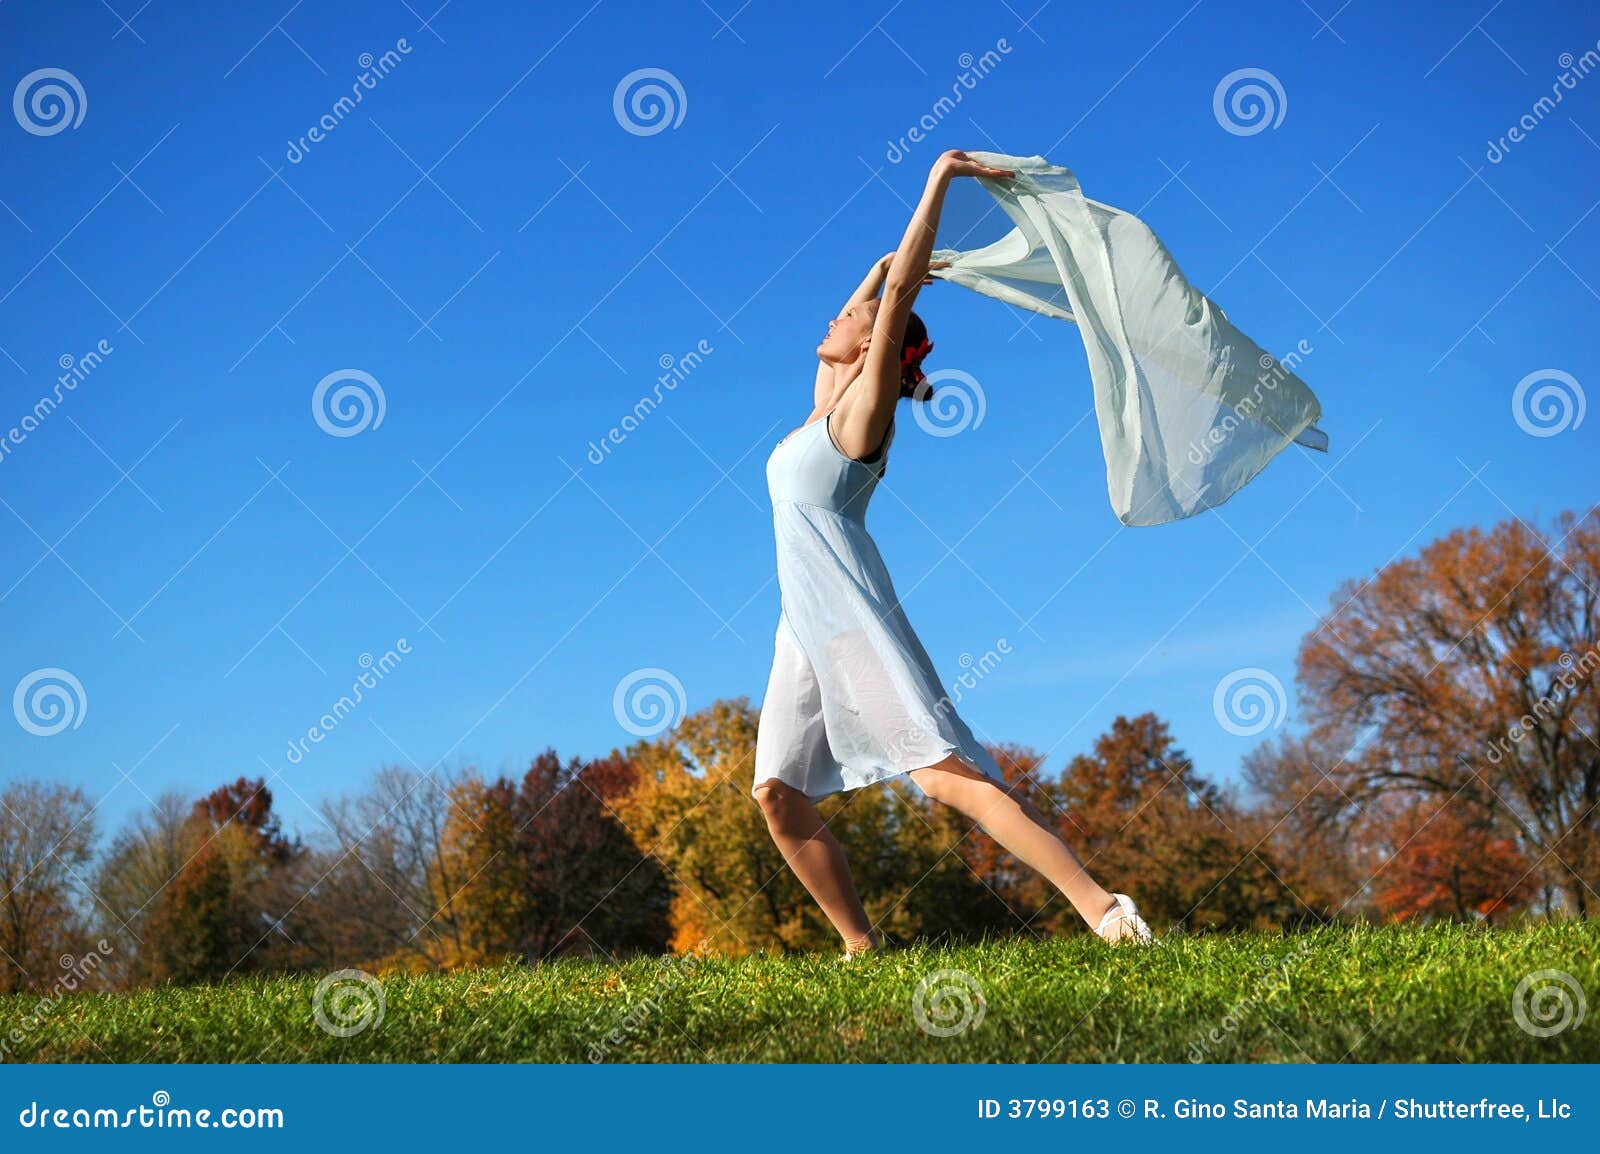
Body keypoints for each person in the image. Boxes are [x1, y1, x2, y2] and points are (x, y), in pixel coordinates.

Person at [752, 150, 1152, 956]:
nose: (837, 317)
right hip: (803, 626)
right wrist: (876, 267)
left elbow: (895, 299)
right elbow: (876, 298)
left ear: (874, 348)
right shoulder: (819, 413)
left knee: (941, 776)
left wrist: (941, 178)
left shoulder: (860, 424)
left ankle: (1103, 908)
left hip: (848, 622)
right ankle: (861, 948)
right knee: (776, 793)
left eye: (855, 316)